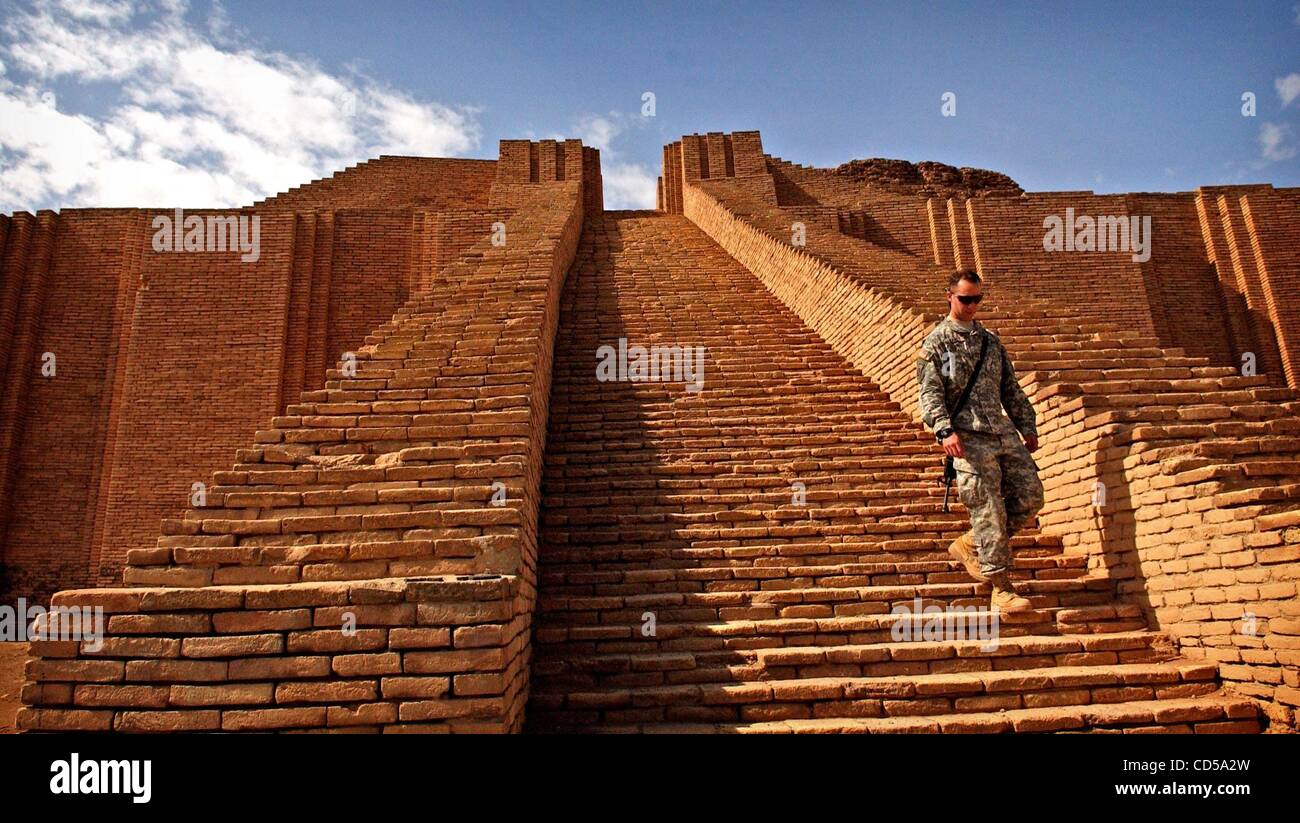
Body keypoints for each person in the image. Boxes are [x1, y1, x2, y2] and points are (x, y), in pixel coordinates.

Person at [916, 269, 1044, 613]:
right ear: (950, 297)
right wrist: (944, 430)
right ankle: (1001, 589)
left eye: (977, 299)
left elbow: (1010, 388)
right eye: (965, 299)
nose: (972, 306)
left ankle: (973, 543)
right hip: (968, 437)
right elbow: (930, 393)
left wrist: (1026, 425)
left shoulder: (990, 342)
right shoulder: (938, 343)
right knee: (987, 507)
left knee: (1031, 496)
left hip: (1001, 433)